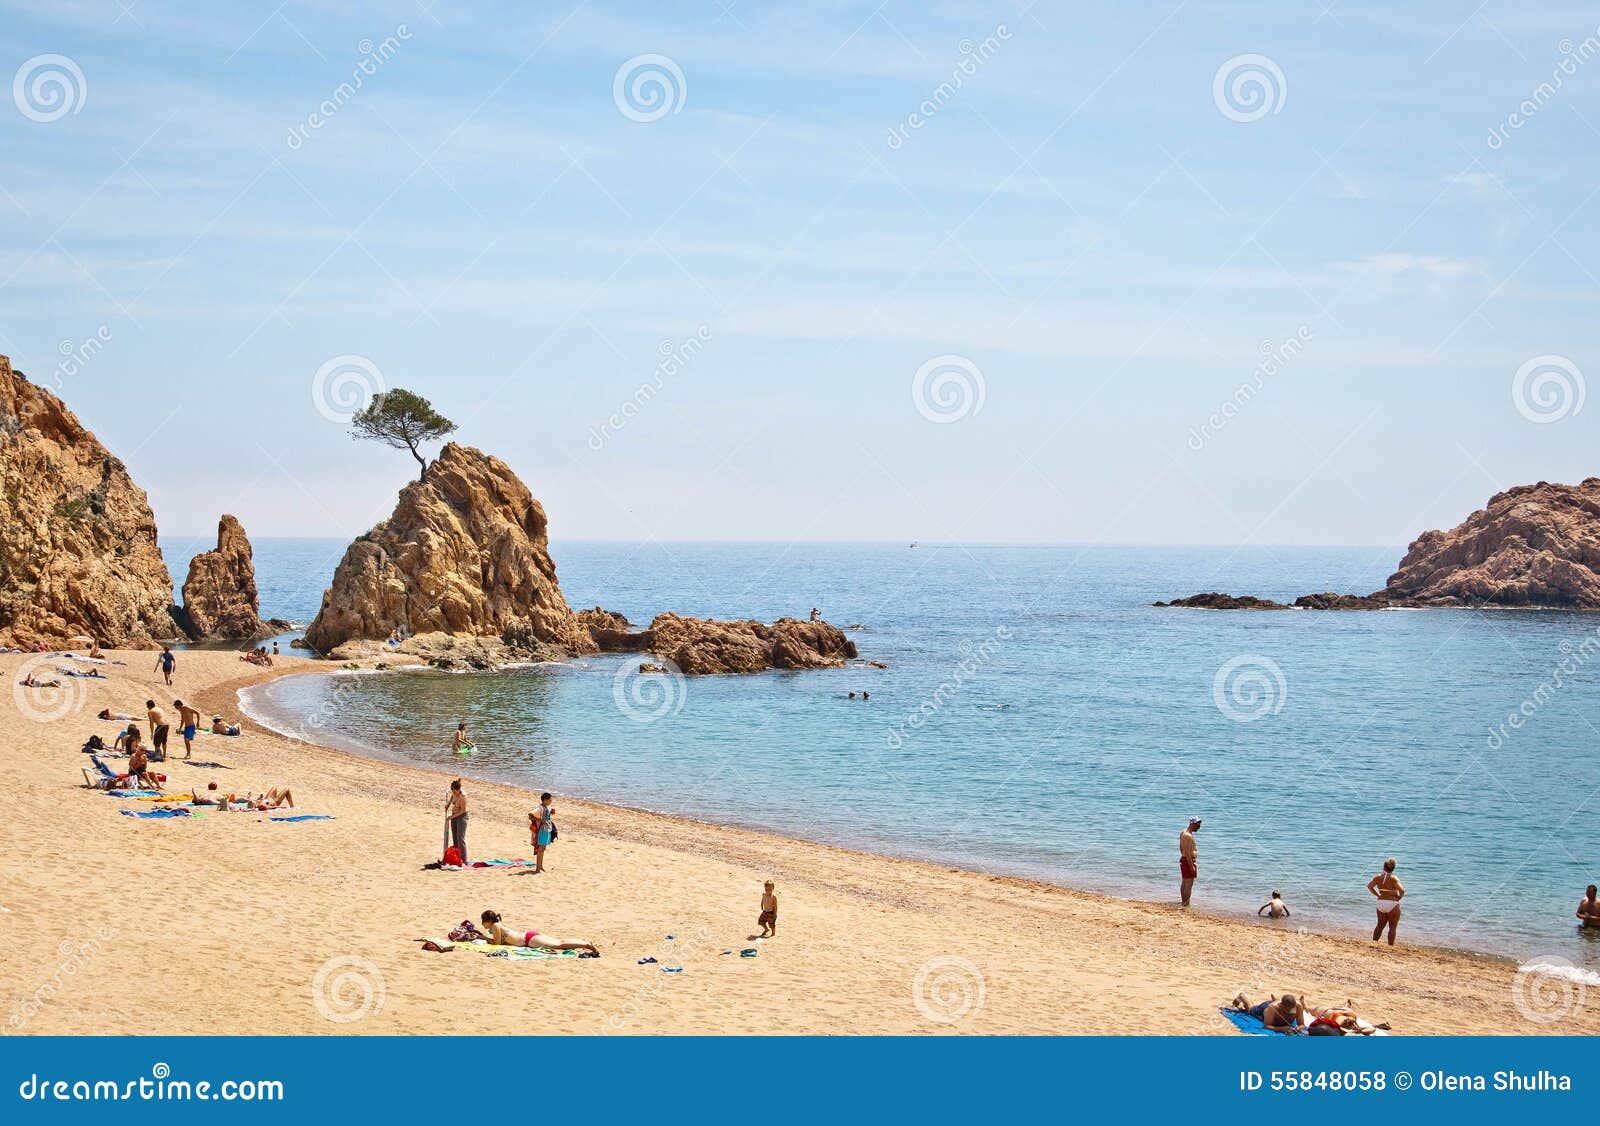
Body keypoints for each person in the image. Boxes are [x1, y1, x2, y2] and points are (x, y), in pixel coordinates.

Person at [479, 910, 598, 955]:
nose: (482, 924)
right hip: (529, 935)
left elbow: (497, 944)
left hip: (529, 940)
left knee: (559, 945)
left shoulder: (495, 926)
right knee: (559, 942)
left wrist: (485, 938)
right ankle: (584, 942)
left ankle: (586, 945)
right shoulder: (498, 923)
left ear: (488, 921)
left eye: (483, 922)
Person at [1368, 857, 1405, 946]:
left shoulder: (1378, 877)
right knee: (1392, 928)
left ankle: (1374, 943)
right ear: (1393, 868)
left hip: (1380, 903)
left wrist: (1378, 895)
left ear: (1384, 867)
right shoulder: (1394, 878)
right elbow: (1402, 891)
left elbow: (1369, 886)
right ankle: (1390, 947)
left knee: (1380, 926)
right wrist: (1398, 898)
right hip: (1392, 904)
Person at [1229, 993, 1302, 1033]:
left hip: (1278, 1007)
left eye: (1292, 1010)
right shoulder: (1272, 1009)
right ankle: (1242, 997)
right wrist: (1280, 1029)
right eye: (1287, 1011)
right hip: (1263, 1010)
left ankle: (1275, 1000)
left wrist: (1298, 1028)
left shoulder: (1298, 1006)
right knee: (1249, 1009)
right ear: (1281, 1006)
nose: (1290, 1013)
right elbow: (1266, 1026)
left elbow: (1302, 1024)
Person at [1179, 817, 1201, 907]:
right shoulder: (1188, 836)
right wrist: (1191, 865)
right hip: (1188, 861)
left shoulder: (1183, 832)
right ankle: (1186, 904)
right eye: (1197, 825)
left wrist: (1183, 855)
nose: (1199, 827)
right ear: (1192, 824)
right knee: (1189, 883)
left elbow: (1181, 847)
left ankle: (1184, 902)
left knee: (1185, 882)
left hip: (1184, 859)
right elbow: (1187, 852)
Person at [446, 780, 468, 865]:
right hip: (454, 815)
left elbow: (463, 810)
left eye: (453, 790)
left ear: (456, 790)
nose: (453, 792)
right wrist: (448, 804)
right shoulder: (454, 793)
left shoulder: (463, 796)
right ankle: (457, 858)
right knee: (455, 838)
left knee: (460, 839)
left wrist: (451, 817)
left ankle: (465, 860)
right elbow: (452, 798)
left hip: (462, 817)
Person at [532, 792, 555, 873]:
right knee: (541, 849)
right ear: (545, 800)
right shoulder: (540, 808)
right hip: (542, 830)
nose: (551, 801)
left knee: (543, 848)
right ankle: (537, 868)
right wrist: (540, 820)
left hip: (547, 829)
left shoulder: (546, 807)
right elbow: (530, 815)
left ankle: (540, 866)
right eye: (550, 800)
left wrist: (550, 812)